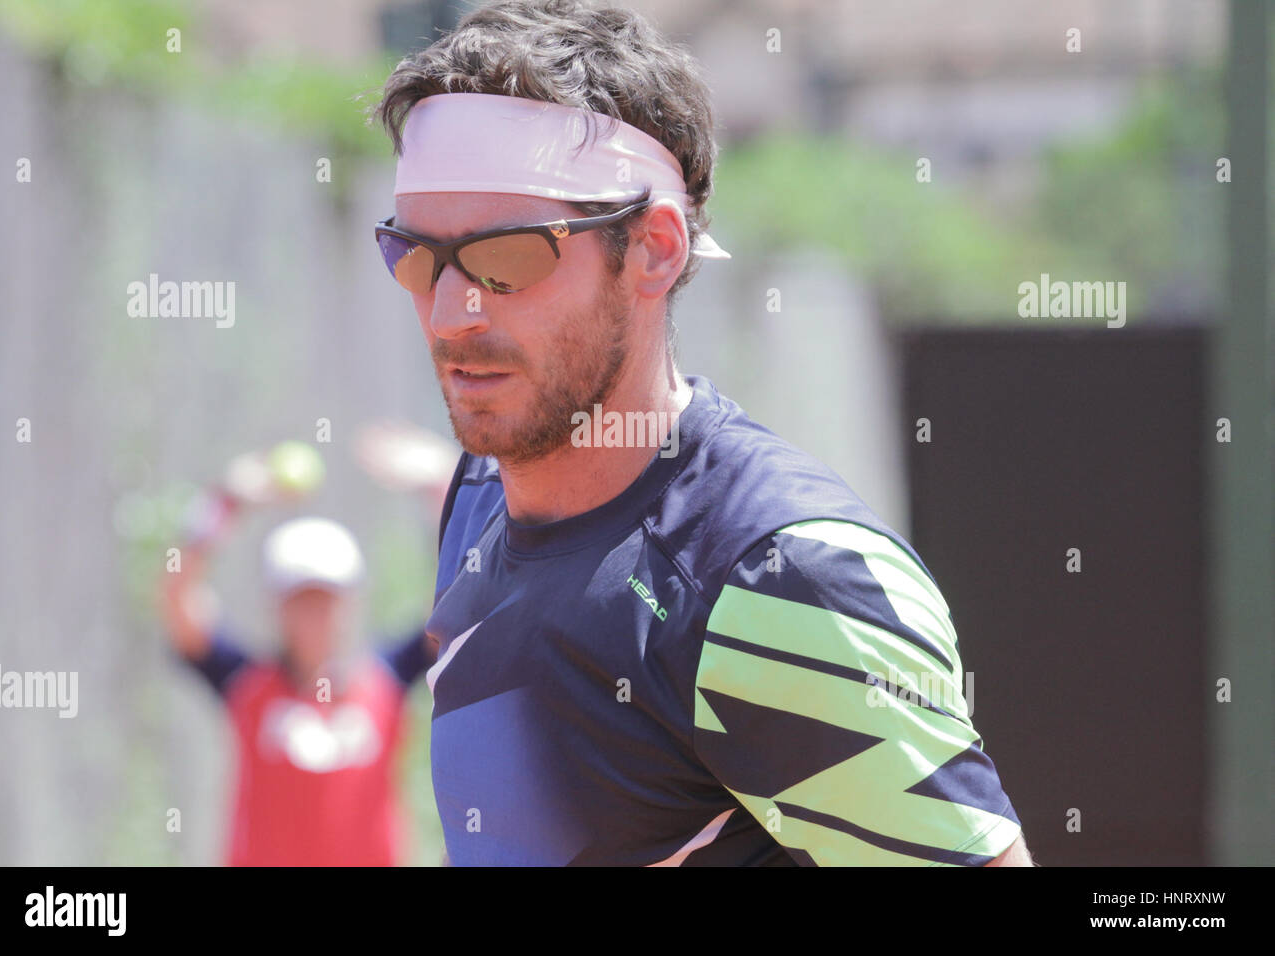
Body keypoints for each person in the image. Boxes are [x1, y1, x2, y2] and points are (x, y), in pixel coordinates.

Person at [371, 0, 1033, 866]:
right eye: (417, 255)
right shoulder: (481, 492)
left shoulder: (781, 580)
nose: (454, 311)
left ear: (654, 250)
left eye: (509, 258)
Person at [162, 449, 436, 866]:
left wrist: (441, 486)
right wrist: (221, 505)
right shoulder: (247, 684)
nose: (316, 615)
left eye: (327, 599)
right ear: (278, 607)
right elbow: (178, 602)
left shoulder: (386, 680)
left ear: (351, 605)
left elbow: (463, 601)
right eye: (302, 599)